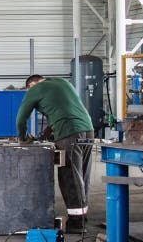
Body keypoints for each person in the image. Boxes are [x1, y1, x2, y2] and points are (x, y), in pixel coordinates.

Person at [16, 75, 94, 232]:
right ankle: (82, 216)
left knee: (70, 177)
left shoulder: (34, 89)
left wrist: (23, 138)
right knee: (82, 175)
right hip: (88, 131)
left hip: (69, 133)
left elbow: (20, 119)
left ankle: (77, 224)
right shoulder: (63, 82)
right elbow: (63, 109)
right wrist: (48, 132)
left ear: (31, 85)